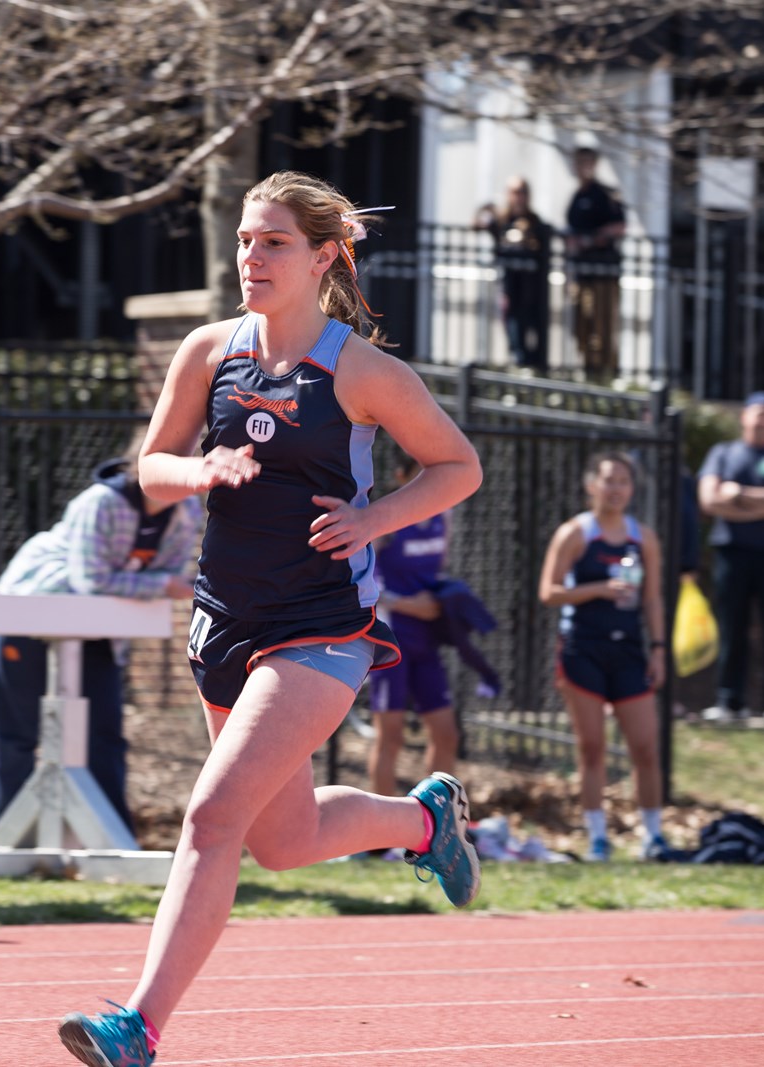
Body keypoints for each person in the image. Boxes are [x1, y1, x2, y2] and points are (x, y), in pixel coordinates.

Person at [55, 171, 484, 1067]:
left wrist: (374, 519)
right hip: (224, 618)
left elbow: (457, 466)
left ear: (325, 255)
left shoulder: (362, 371)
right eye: (247, 241)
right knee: (281, 841)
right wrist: (200, 473)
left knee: (212, 816)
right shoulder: (211, 350)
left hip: (322, 624)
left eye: (275, 242)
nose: (252, 257)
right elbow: (151, 467)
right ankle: (422, 822)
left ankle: (136, 1025)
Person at [0, 452, 202, 831]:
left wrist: (160, 585)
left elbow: (164, 572)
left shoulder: (186, 511)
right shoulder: (100, 501)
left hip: (100, 629)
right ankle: (11, 835)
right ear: (145, 466)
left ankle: (111, 834)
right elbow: (91, 580)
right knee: (17, 734)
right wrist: (162, 587)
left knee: (103, 736)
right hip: (30, 611)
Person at [538, 451, 668, 862]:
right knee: (591, 748)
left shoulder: (642, 537)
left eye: (623, 482)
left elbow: (652, 600)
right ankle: (597, 838)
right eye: (608, 480)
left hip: (628, 650)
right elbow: (549, 592)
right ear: (591, 485)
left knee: (645, 748)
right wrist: (597, 589)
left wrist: (659, 649)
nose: (615, 489)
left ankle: (653, 836)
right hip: (582, 648)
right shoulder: (576, 533)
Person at [697, 391, 764, 726]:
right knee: (732, 628)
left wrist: (739, 497)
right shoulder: (723, 454)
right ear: (744, 416)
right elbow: (710, 501)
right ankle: (730, 701)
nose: (762, 420)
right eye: (757, 414)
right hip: (731, 552)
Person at [367, 460, 460, 797]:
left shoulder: (442, 517)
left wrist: (446, 601)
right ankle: (381, 839)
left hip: (427, 640)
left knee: (446, 733)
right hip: (392, 640)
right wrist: (408, 604)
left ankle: (438, 825)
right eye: (418, 472)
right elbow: (363, 585)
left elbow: (435, 575)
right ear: (401, 475)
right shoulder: (385, 520)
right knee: (391, 735)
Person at [564, 147, 627, 381]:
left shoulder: (606, 195)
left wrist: (590, 240)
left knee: (602, 329)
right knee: (580, 328)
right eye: (579, 162)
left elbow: (619, 227)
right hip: (580, 274)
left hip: (603, 274)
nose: (583, 167)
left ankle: (607, 375)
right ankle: (590, 373)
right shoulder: (576, 197)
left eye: (587, 162)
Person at [484, 176, 551, 372]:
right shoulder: (502, 219)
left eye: (522, 192)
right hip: (509, 282)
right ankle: (518, 359)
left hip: (532, 283)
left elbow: (542, 246)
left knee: (534, 323)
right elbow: (481, 225)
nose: (518, 197)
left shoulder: (535, 221)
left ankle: (536, 363)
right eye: (514, 192)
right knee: (512, 323)